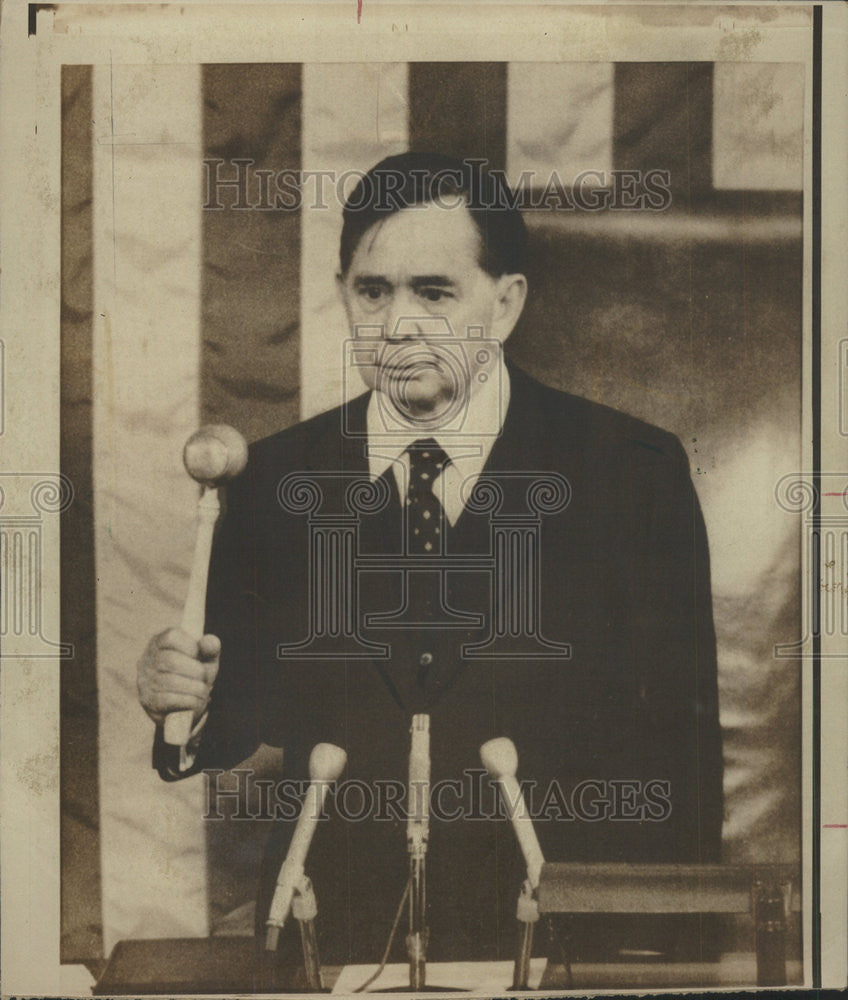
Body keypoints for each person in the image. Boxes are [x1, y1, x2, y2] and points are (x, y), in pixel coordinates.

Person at [137, 152, 723, 967]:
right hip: (327, 941)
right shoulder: (270, 481)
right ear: (344, 292)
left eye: (435, 292)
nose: (399, 323)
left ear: (506, 302)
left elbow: (681, 750)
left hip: (561, 945)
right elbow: (242, 714)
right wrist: (186, 701)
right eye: (373, 291)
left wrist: (669, 955)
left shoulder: (631, 473)